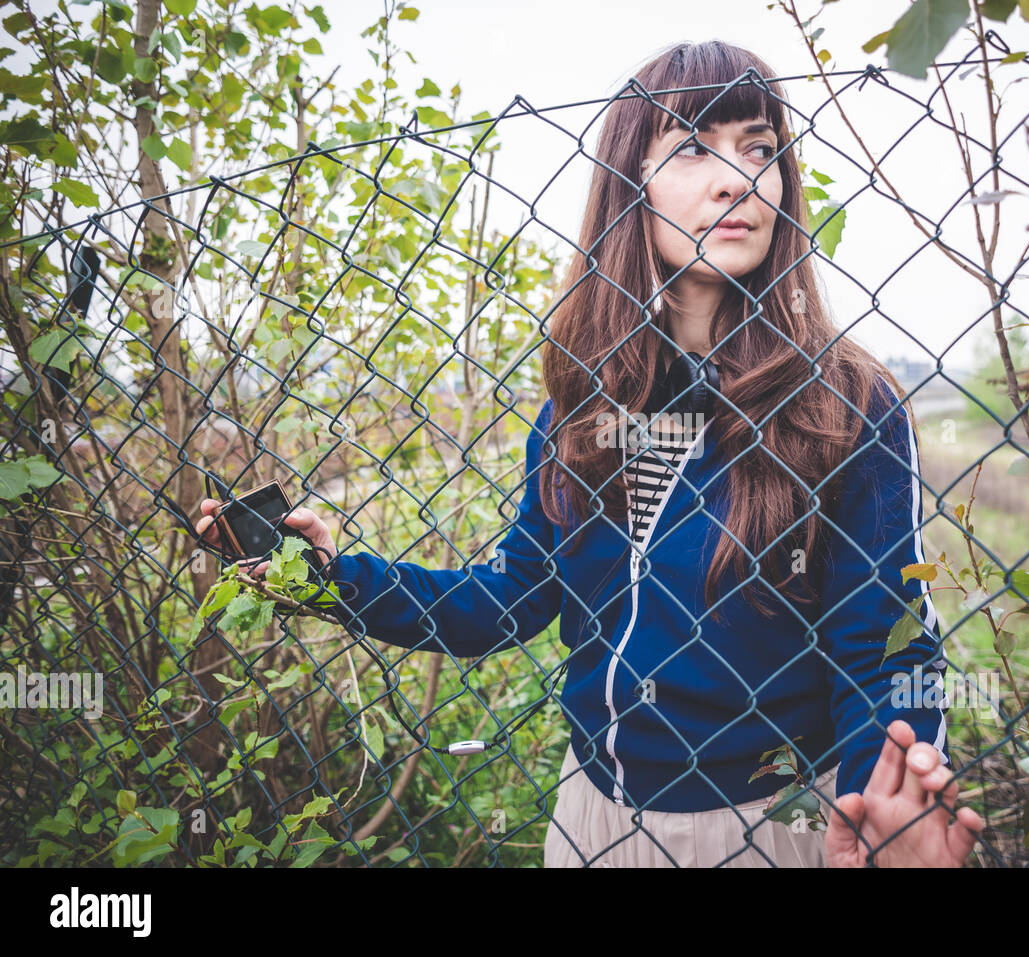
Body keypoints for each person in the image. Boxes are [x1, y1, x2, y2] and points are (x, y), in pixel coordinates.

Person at [195, 39, 983, 868]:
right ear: (628, 188)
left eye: (760, 148)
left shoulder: (844, 403)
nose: (739, 177)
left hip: (772, 819)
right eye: (691, 148)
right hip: (591, 816)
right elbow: (508, 599)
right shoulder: (580, 410)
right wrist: (332, 579)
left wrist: (881, 803)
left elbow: (883, 641)